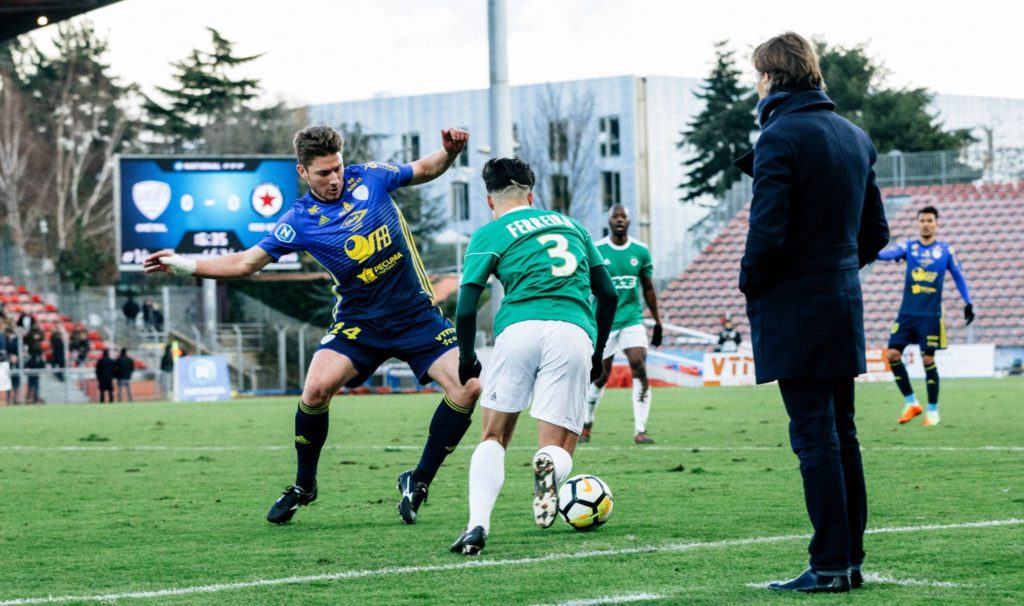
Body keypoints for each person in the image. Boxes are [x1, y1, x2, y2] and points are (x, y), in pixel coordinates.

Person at [144, 124, 480, 526]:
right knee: (316, 389)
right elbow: (245, 262)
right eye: (323, 173)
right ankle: (305, 485)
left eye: (337, 168)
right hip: (359, 324)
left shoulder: (370, 178)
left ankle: (418, 480)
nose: (335, 178)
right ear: (303, 173)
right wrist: (183, 264)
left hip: (416, 317)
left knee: (469, 387)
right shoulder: (300, 220)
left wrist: (450, 153)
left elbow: (424, 168)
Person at [733, 32, 889, 593]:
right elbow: (876, 233)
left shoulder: (779, 137)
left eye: (759, 76)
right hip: (841, 301)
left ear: (771, 78)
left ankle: (827, 565)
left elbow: (767, 231)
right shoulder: (854, 136)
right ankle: (847, 562)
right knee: (842, 434)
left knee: (815, 438)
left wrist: (753, 282)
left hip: (796, 308)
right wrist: (835, 270)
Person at [449, 157, 618, 555]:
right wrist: (596, 352)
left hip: (518, 330)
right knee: (559, 444)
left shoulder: (489, 233)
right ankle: (548, 467)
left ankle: (477, 525)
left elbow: (465, 307)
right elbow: (608, 294)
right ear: (532, 193)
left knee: (494, 435)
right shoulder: (571, 226)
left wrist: (466, 356)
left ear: (490, 201)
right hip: (572, 331)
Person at [877, 206, 973, 427]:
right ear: (918, 223)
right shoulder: (909, 247)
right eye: (922, 221)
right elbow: (886, 254)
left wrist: (968, 302)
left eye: (930, 220)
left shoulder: (945, 251)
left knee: (928, 359)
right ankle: (911, 403)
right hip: (907, 313)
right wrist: (868, 249)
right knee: (892, 354)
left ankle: (933, 411)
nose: (926, 224)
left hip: (930, 315)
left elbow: (958, 276)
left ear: (936, 224)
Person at [582, 203, 663, 444]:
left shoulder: (640, 250)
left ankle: (640, 429)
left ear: (630, 221)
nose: (619, 220)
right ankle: (586, 422)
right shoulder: (596, 250)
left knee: (638, 364)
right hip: (604, 322)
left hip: (632, 318)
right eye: (615, 216)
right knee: (600, 375)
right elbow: (587, 287)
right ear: (609, 221)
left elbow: (648, 288)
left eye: (623, 216)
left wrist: (658, 322)